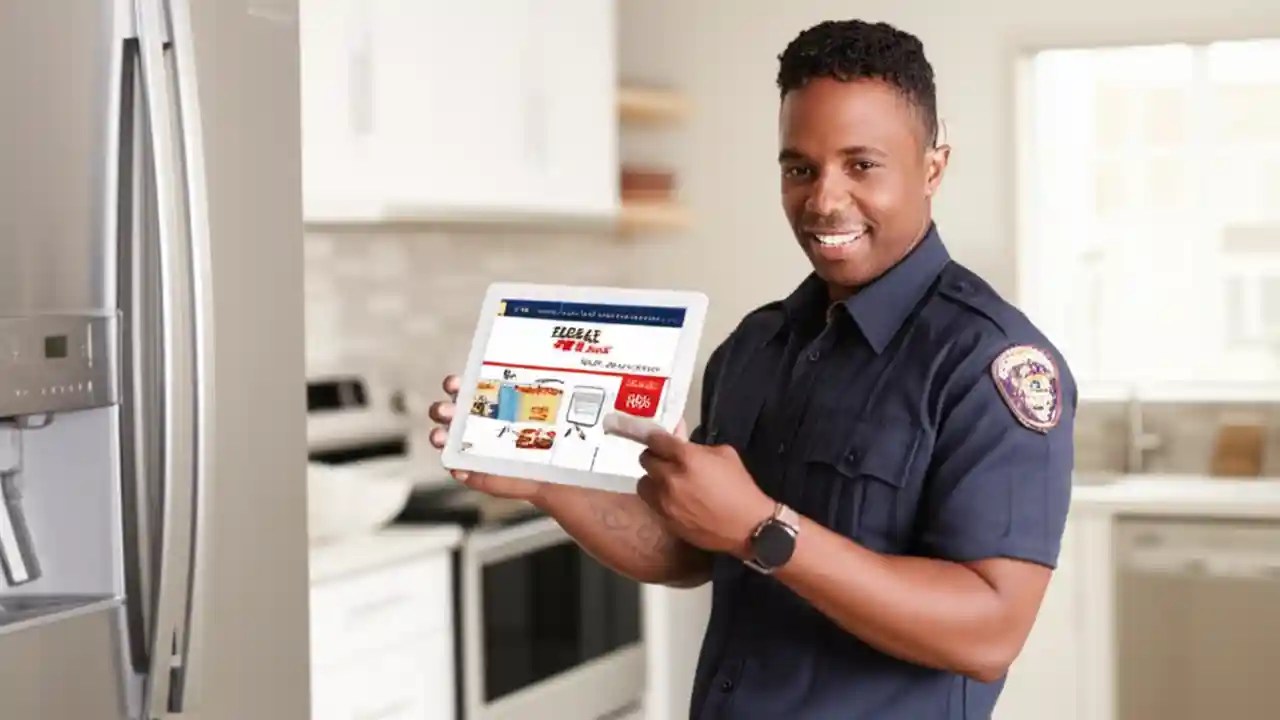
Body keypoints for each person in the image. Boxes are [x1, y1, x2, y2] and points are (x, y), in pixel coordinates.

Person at [428, 18, 1075, 719]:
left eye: (862, 165)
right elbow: (689, 548)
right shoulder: (756, 345)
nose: (824, 200)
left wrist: (761, 528)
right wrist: (545, 484)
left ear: (932, 167)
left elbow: (988, 632)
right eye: (799, 168)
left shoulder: (990, 364)